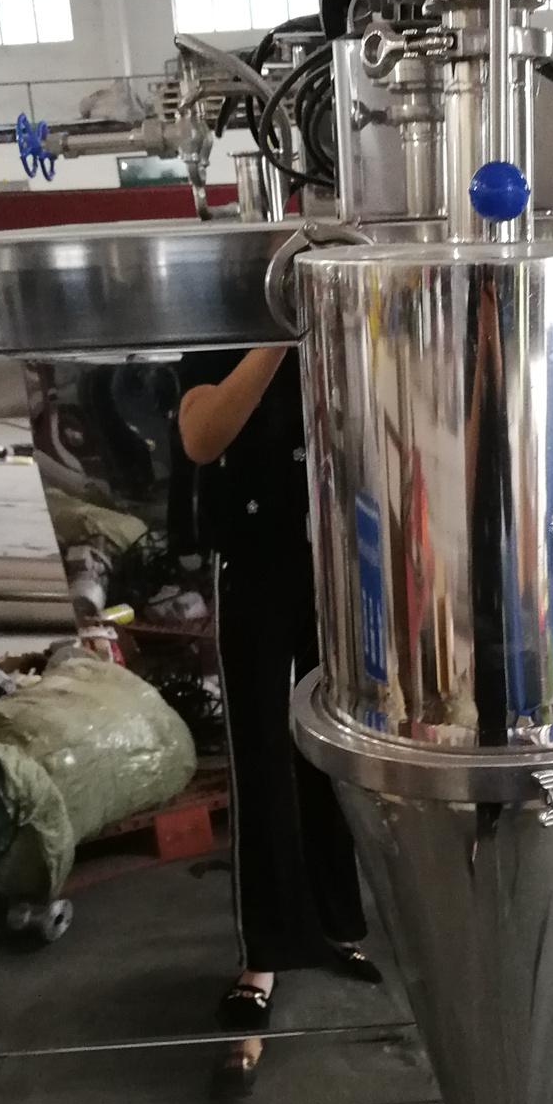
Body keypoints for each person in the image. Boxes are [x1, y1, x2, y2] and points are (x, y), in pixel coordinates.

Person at [178, 343, 376, 1030]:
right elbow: (200, 437)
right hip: (254, 554)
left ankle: (335, 925)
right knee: (262, 754)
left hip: (341, 556)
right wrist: (275, 338)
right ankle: (261, 955)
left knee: (336, 749)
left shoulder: (345, 318)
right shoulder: (224, 327)